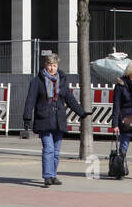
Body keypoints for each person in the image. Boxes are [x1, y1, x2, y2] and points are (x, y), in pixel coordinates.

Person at [23, 55, 89, 187]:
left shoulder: (62, 81)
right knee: (49, 149)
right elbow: (30, 99)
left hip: (59, 120)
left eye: (54, 66)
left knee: (56, 151)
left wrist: (81, 113)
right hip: (44, 119)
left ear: (57, 66)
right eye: (49, 65)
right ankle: (47, 176)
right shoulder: (37, 81)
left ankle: (53, 175)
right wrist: (27, 117)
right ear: (45, 65)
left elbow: (70, 99)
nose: (52, 68)